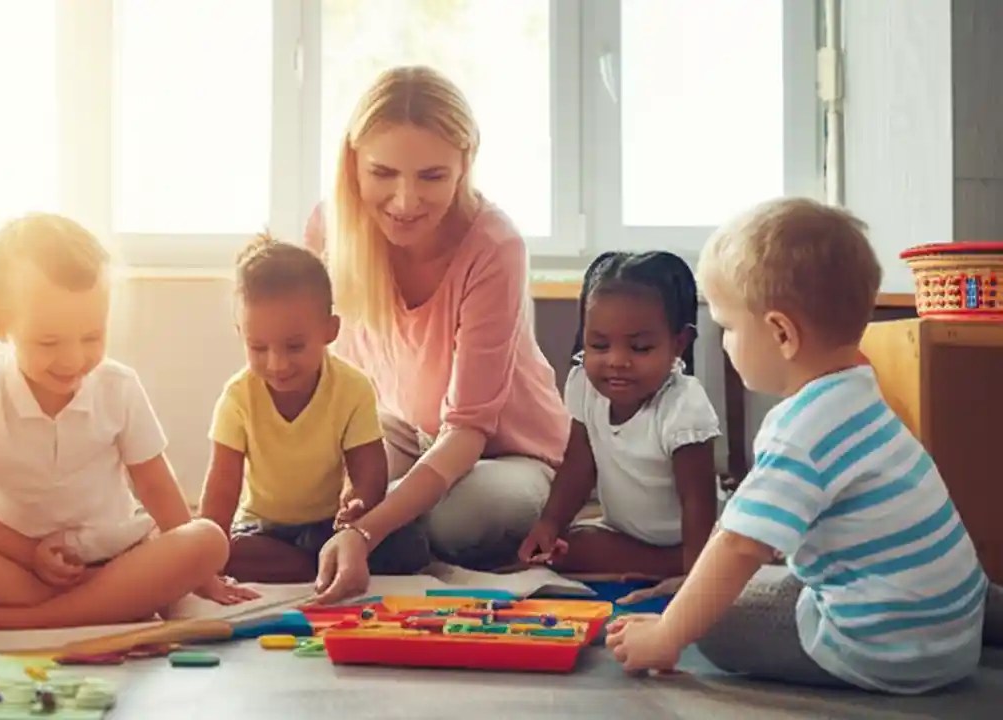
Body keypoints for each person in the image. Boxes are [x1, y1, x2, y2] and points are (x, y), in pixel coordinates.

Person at [607, 197, 995, 694]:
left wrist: (668, 634)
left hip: (887, 649)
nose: (724, 342)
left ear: (781, 333)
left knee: (714, 622)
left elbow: (739, 544)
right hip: (952, 634)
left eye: (727, 327)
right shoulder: (860, 389)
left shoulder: (799, 430)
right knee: (738, 587)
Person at [304, 66, 570, 601]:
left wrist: (366, 524)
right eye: (383, 173)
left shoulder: (494, 246)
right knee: (306, 491)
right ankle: (377, 532)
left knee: (458, 518)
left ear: (464, 166)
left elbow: (467, 431)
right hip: (401, 431)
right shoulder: (328, 228)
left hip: (506, 455)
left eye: (431, 176)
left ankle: (379, 537)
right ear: (353, 163)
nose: (404, 202)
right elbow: (318, 379)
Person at [0, 213, 229, 630]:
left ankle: (33, 618)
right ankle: (109, 603)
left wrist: (200, 574)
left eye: (91, 337)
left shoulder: (119, 387)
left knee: (207, 540)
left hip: (115, 557)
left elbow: (155, 485)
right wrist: (31, 554)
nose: (73, 359)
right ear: (1, 327)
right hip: (18, 563)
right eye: (48, 342)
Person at [200, 233, 429, 585]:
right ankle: (313, 564)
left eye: (294, 346)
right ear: (241, 334)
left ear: (329, 330)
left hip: (328, 524)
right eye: (258, 347)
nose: (277, 364)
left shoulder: (352, 387)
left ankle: (317, 559)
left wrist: (359, 503)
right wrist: (209, 554)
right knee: (222, 549)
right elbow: (221, 490)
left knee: (410, 545)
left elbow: (368, 469)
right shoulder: (237, 397)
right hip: (265, 529)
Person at [518, 251, 720, 602]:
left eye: (640, 348)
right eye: (598, 345)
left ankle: (693, 565)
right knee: (570, 548)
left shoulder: (684, 407)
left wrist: (695, 577)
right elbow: (578, 467)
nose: (617, 361)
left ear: (678, 344)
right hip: (622, 533)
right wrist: (550, 523)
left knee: (707, 564)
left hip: (691, 536)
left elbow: (697, 503)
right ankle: (664, 563)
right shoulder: (583, 383)